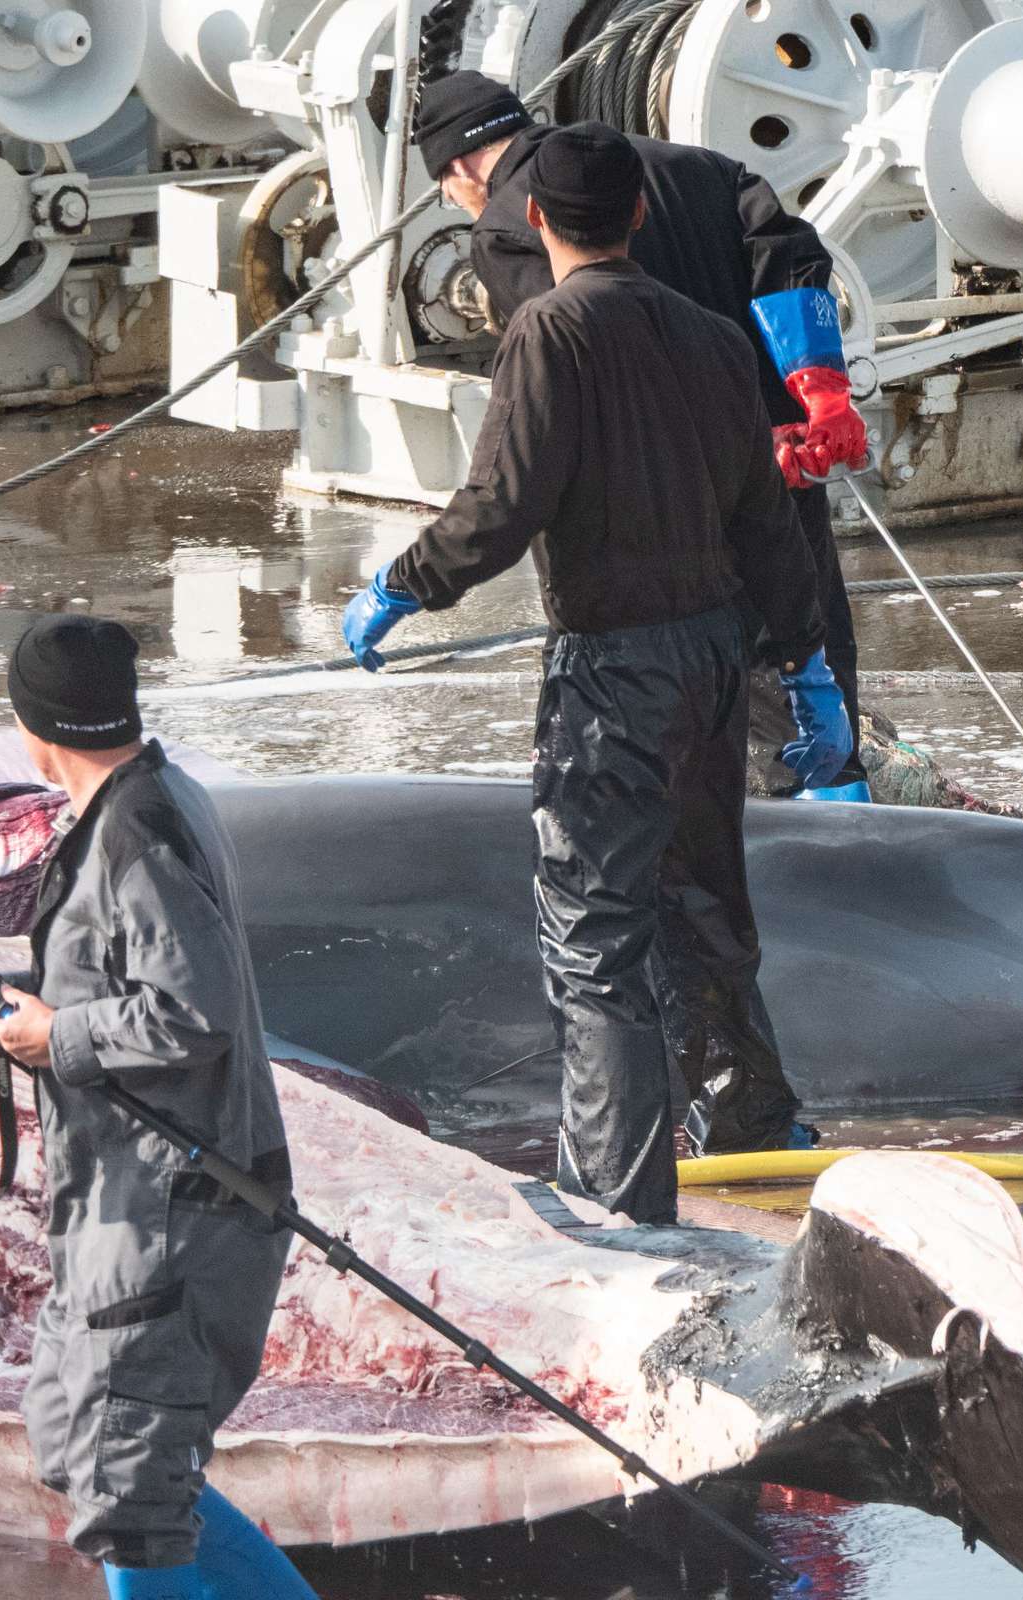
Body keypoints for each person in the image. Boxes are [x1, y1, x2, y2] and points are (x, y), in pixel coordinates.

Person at [340, 122, 847, 1220]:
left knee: (594, 930)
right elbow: (769, 521)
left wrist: (401, 585)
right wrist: (807, 663)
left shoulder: (548, 331)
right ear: (639, 214)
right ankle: (754, 1119)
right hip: (714, 659)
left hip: (613, 672)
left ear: (534, 220)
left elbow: (501, 507)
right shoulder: (715, 337)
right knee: (705, 904)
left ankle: (617, 1196)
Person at [411, 71, 873, 802]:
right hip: (783, 466)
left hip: (665, 514)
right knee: (809, 668)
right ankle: (854, 832)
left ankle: (776, 849)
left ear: (460, 164)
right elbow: (789, 255)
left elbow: (593, 351)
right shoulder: (699, 168)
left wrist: (411, 580)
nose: (456, 200)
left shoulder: (507, 228)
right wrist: (819, 392)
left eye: (446, 186)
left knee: (707, 735)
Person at [0, 614, 314, 1600]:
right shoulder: (157, 797)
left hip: (176, 1210)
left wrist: (59, 1036)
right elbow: (139, 977)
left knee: (130, 1488)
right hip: (121, 1204)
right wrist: (20, 1001)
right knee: (79, 1445)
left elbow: (194, 1009)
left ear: (36, 726)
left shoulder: (136, 832)